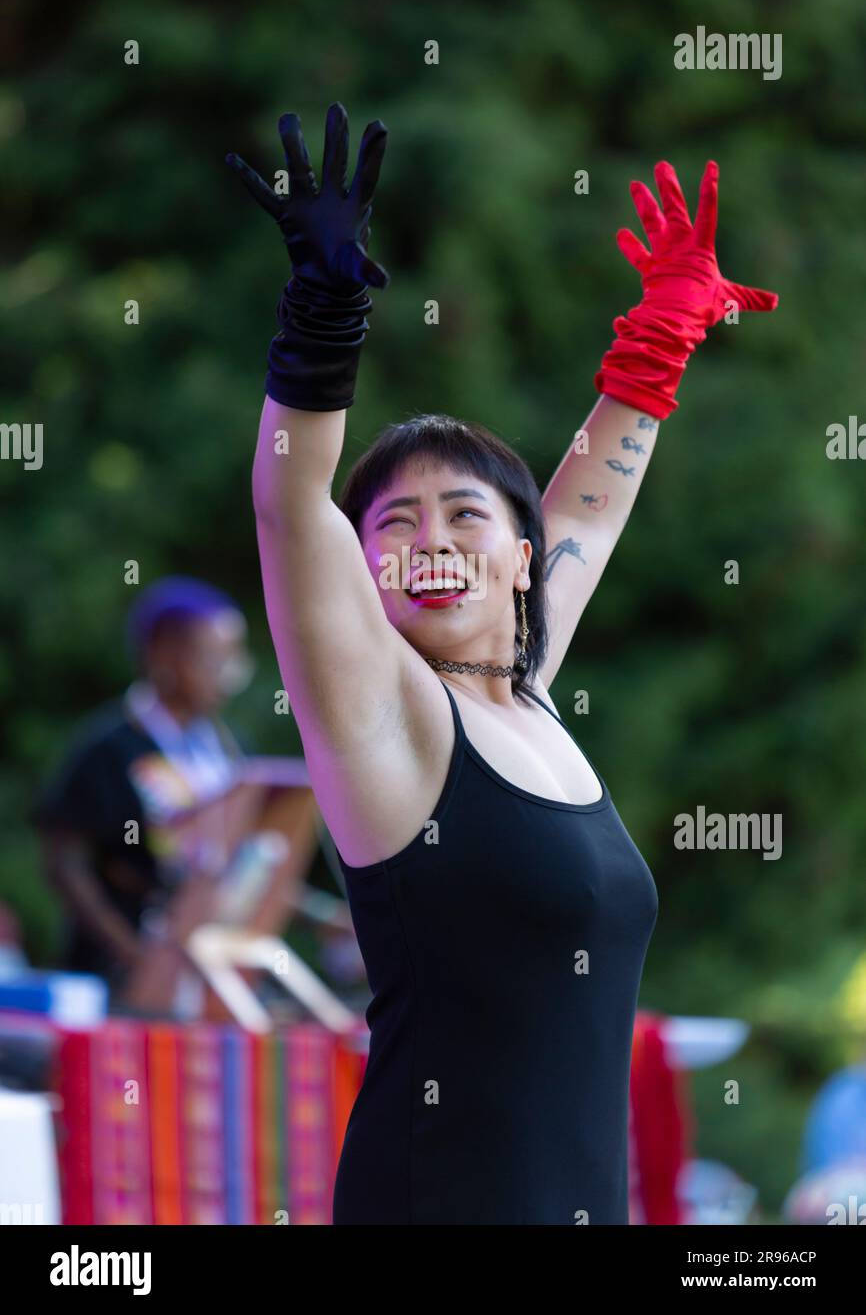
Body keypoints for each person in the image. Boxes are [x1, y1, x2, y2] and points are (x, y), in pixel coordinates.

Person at [227, 104, 778, 1224]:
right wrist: (322, 311)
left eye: (462, 516)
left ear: (521, 559)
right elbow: (290, 504)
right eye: (394, 525)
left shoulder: (522, 691)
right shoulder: (388, 718)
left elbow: (593, 498)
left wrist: (662, 328)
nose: (429, 543)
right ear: (364, 570)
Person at [31, 577, 253, 1002]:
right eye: (214, 660)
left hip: (212, 969)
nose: (229, 677)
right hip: (119, 975)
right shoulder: (109, 748)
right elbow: (65, 862)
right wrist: (132, 953)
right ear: (163, 655)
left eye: (234, 661)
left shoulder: (231, 749)